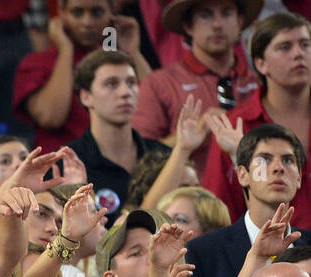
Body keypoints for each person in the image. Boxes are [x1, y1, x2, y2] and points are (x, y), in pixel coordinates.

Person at [201, 13, 311, 232]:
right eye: (285, 47)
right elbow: (219, 205)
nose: (299, 53)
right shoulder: (235, 124)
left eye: (306, 45)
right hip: (261, 251)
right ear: (261, 63)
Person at [188, 124, 309, 277]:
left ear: (299, 178)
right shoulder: (203, 253)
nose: (278, 168)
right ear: (243, 175)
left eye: (288, 160)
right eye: (265, 159)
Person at [133, 0, 261, 170]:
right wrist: (188, 137)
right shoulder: (159, 83)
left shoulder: (261, 83)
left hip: (253, 191)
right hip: (190, 192)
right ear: (188, 26)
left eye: (226, 13)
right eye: (205, 15)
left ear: (240, 21)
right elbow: (139, 154)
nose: (217, 24)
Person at [13, 0, 150, 153]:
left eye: (97, 13)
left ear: (111, 13)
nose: (87, 22)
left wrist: (133, 52)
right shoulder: (37, 62)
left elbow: (156, 108)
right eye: (77, 13)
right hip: (61, 165)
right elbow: (50, 118)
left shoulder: (117, 59)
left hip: (118, 160)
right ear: (61, 12)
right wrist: (66, 51)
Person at [67, 51, 170, 216]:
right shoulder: (66, 165)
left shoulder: (166, 157)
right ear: (86, 97)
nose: (125, 92)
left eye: (131, 83)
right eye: (111, 84)